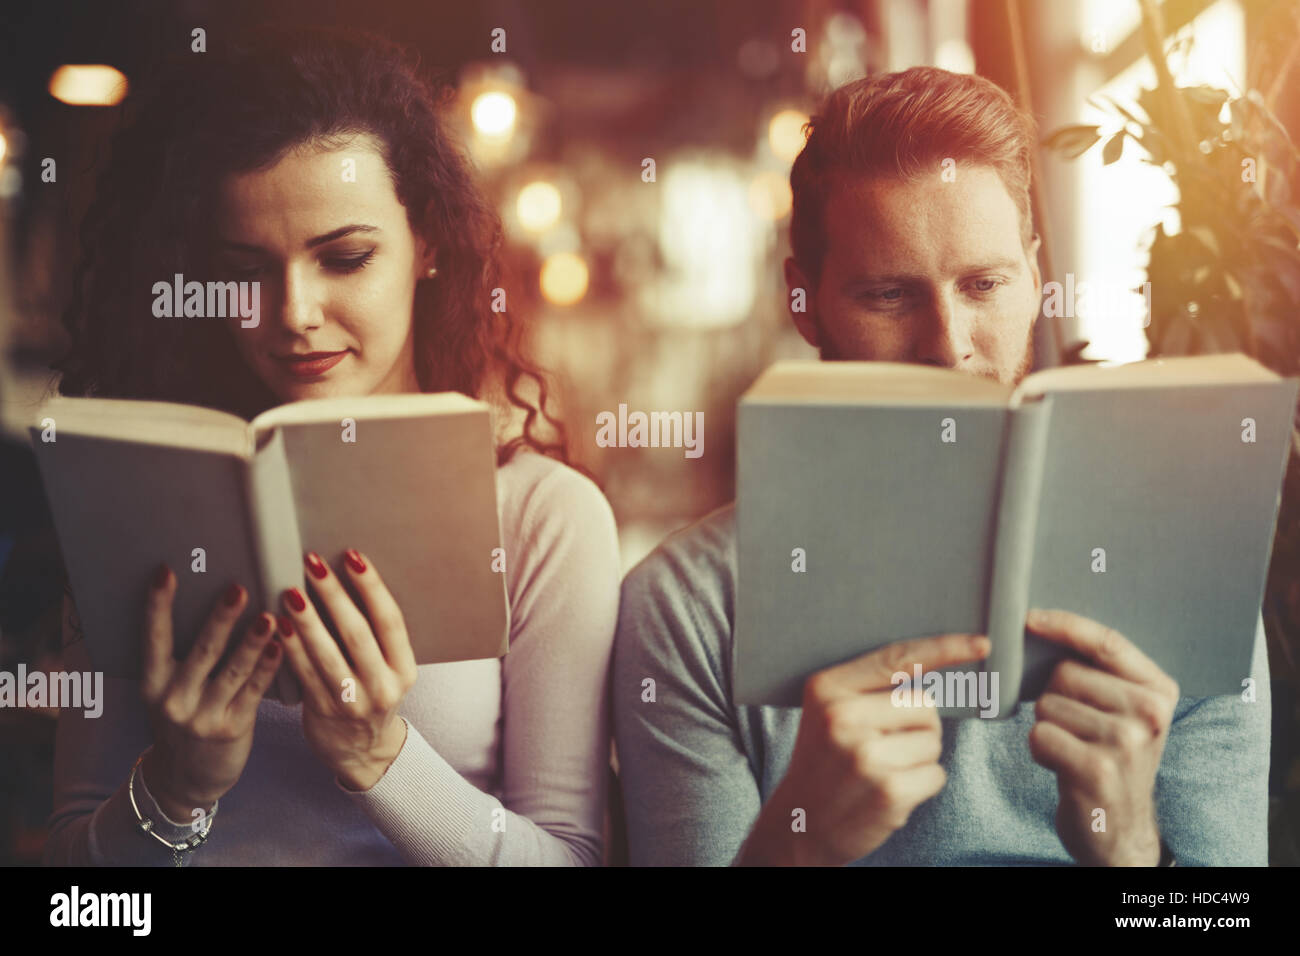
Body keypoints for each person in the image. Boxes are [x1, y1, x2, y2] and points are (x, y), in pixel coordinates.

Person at [613, 66, 1270, 867]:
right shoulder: (687, 607)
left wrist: (1129, 847)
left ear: (1034, 280)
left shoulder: (1187, 571)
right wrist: (803, 843)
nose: (948, 345)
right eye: (889, 295)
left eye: (984, 284)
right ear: (805, 302)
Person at [41, 25, 619, 866]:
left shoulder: (543, 518)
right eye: (247, 269)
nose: (293, 313)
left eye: (344, 258)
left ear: (428, 245)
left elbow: (575, 859)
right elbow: (74, 902)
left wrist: (381, 759)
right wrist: (176, 788)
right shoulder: (143, 496)